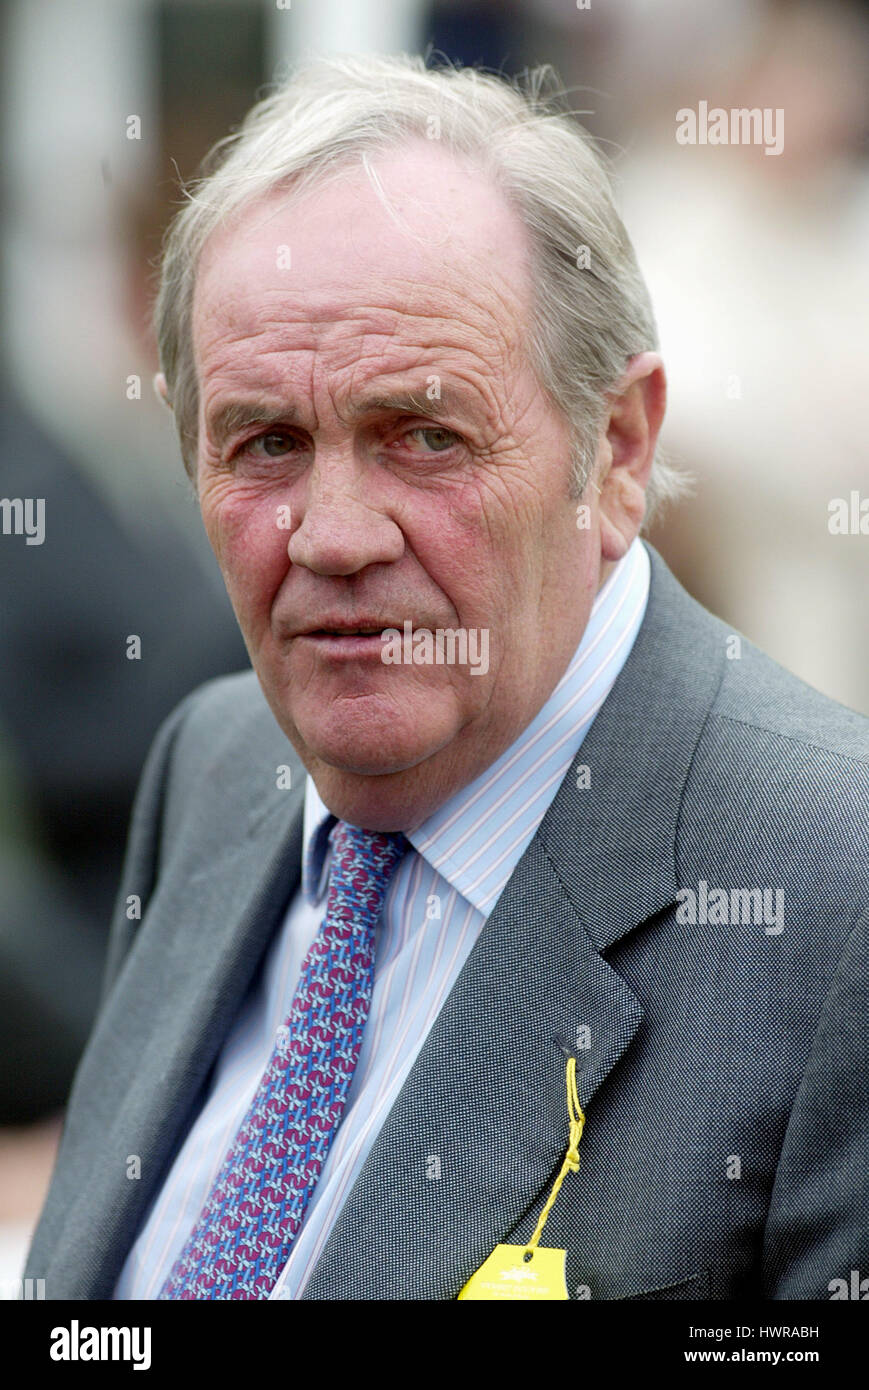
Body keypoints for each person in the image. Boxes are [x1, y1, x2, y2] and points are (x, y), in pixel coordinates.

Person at [24, 53, 868, 1301]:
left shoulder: (828, 895)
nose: (333, 533)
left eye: (423, 436)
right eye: (265, 442)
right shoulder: (215, 763)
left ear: (617, 450)